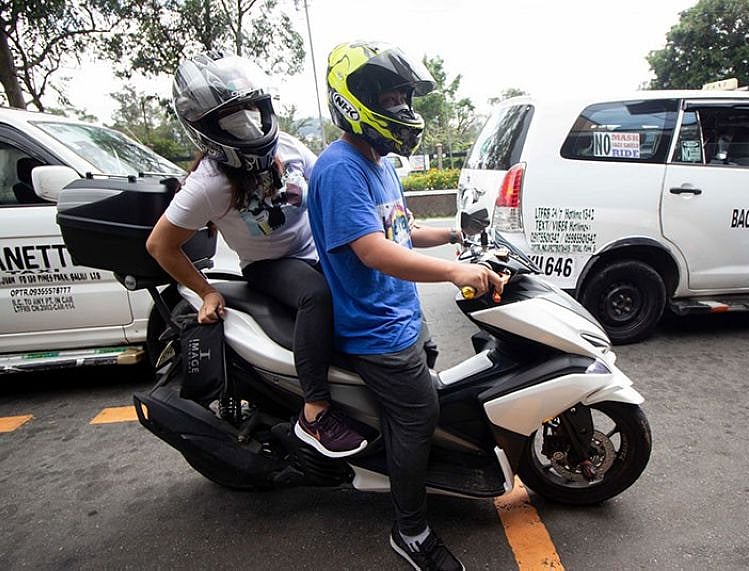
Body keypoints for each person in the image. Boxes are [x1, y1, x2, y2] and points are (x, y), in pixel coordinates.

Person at [307, 41, 505, 571]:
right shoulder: (340, 168)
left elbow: (401, 231)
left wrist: (457, 235)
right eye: (390, 99)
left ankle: (407, 465)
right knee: (419, 417)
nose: (401, 109)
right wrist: (454, 273)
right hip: (374, 329)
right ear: (355, 101)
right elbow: (373, 251)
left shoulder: (379, 163)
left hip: (403, 317)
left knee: (422, 405)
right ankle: (411, 531)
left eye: (402, 98)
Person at [145, 50, 366, 458]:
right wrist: (207, 291)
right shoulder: (208, 184)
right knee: (315, 296)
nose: (247, 123)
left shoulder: (289, 145)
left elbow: (328, 185)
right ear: (205, 128)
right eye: (231, 117)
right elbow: (160, 245)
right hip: (270, 266)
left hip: (318, 249)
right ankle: (315, 413)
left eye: (252, 110)